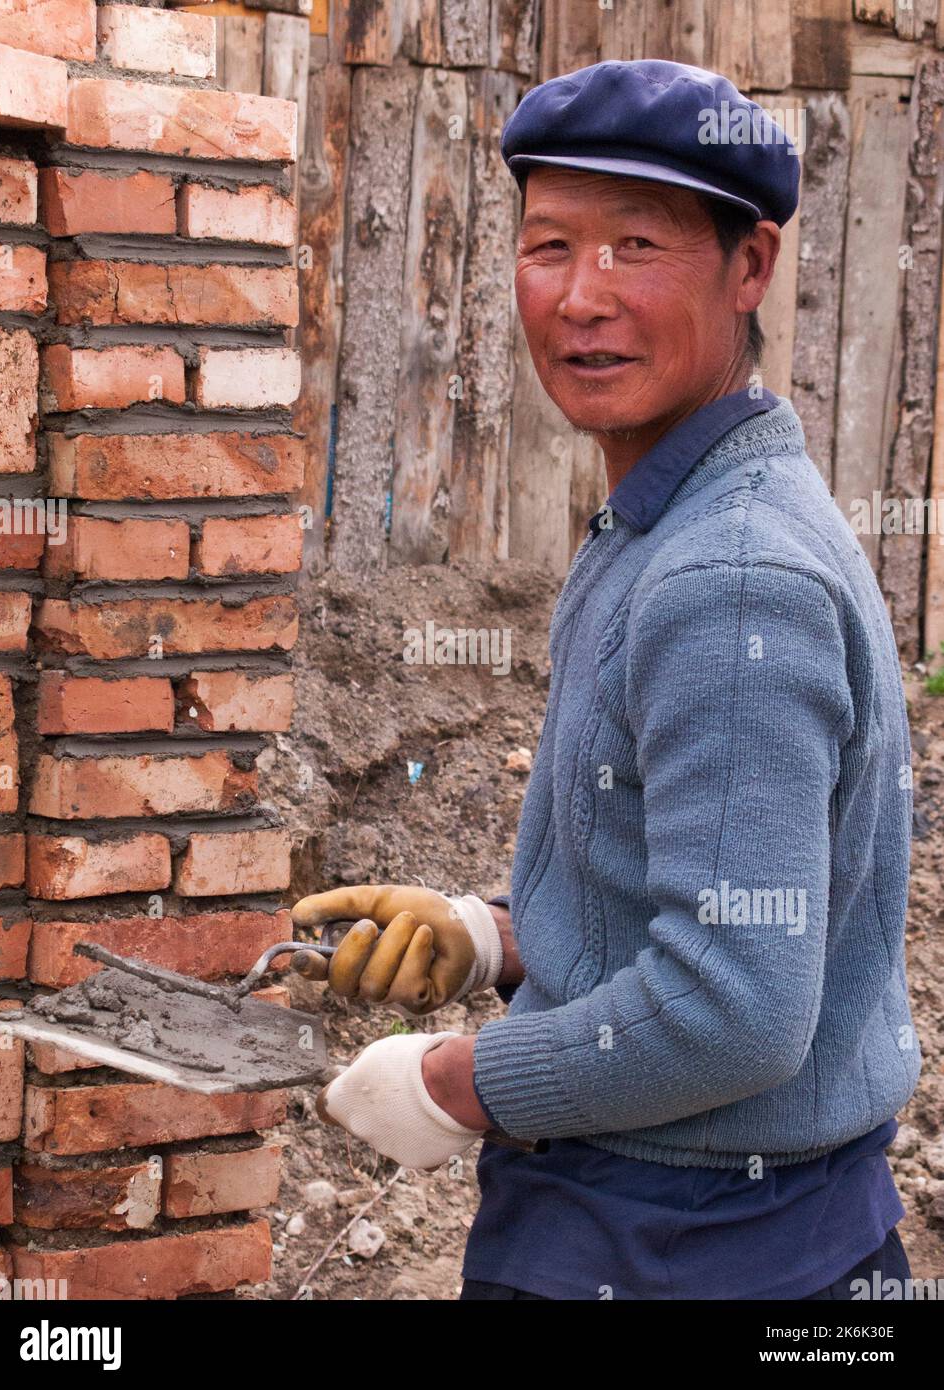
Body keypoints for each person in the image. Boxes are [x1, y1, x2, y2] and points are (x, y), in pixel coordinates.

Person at [290, 59, 920, 1301]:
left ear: (751, 268)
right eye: (547, 246)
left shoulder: (725, 576)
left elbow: (733, 1007)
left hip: (688, 1249)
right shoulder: (667, 524)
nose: (582, 296)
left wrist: (452, 1085)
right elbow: (722, 901)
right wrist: (499, 940)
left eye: (637, 244)